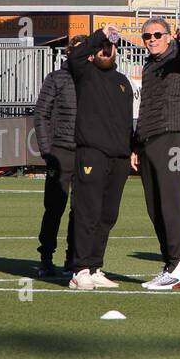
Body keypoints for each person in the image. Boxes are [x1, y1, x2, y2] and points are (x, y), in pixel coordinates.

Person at [65, 26, 133, 290]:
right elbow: (74, 57)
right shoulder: (85, 73)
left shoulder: (123, 82)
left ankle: (94, 266)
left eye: (111, 47)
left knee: (107, 215)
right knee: (87, 211)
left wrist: (133, 148)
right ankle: (79, 269)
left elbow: (127, 122)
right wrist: (99, 34)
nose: (107, 50)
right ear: (94, 52)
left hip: (119, 158)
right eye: (102, 47)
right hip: (92, 152)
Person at [133, 17, 180, 291]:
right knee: (154, 206)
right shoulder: (149, 66)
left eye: (157, 34)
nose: (152, 39)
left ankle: (178, 266)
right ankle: (170, 265)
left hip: (170, 136)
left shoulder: (177, 59)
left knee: (170, 203)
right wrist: (136, 145)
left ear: (168, 37)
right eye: (147, 36)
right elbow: (145, 106)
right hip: (148, 139)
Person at [33, 43, 80, 277]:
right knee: (53, 208)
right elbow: (41, 113)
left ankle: (73, 260)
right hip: (60, 152)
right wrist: (46, 149)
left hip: (85, 153)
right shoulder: (56, 78)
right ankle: (46, 257)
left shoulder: (93, 79)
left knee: (80, 210)